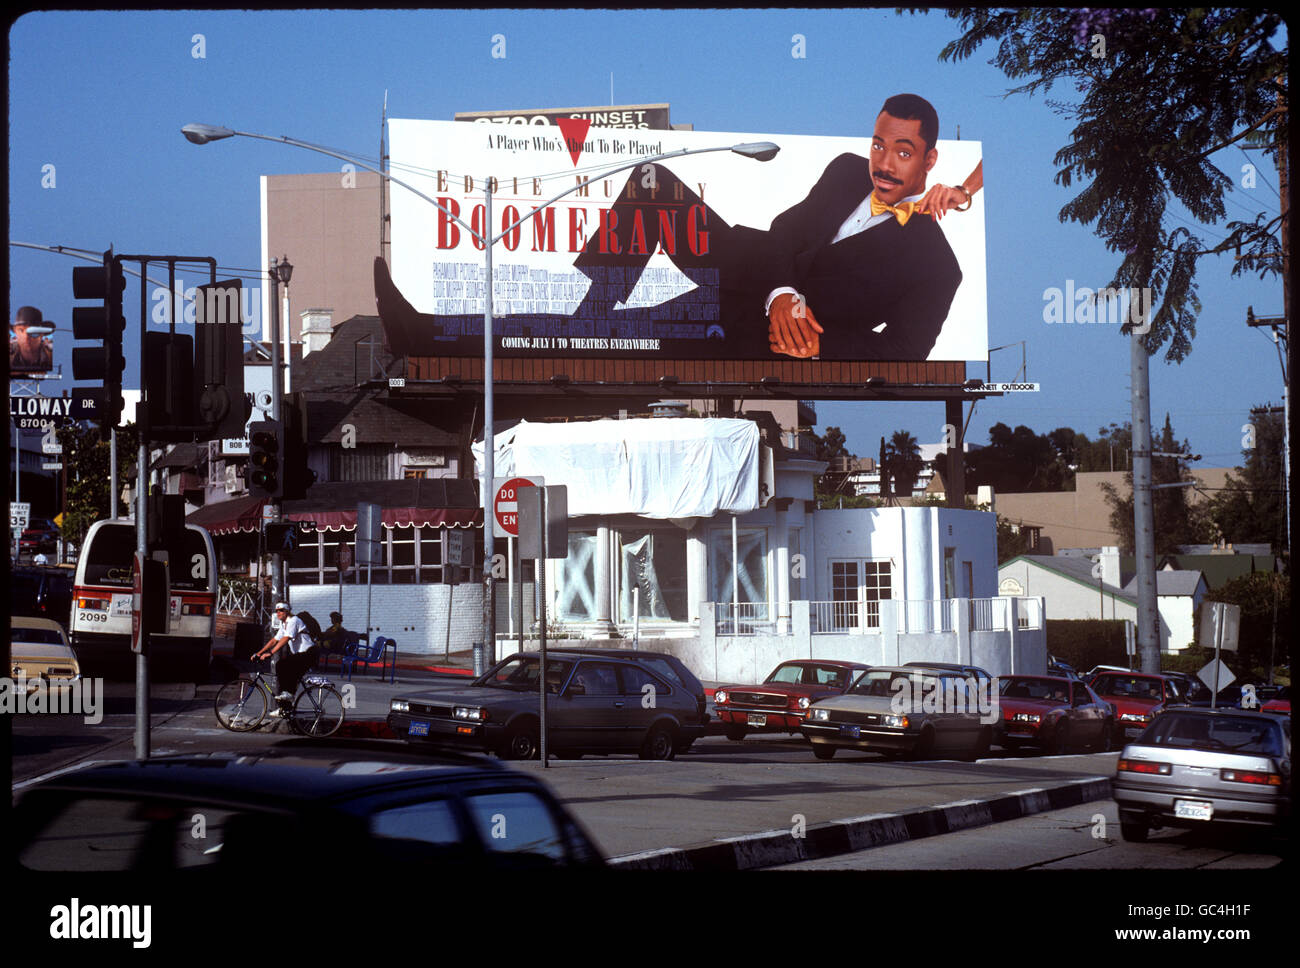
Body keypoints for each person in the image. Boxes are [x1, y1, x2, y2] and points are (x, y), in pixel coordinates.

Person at [376, 93, 980, 364]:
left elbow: (905, 352)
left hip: (749, 335)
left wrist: (820, 341)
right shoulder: (847, 171)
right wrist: (780, 292)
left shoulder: (936, 266)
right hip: (743, 264)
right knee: (649, 184)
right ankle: (587, 324)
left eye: (903, 152)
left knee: (603, 329)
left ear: (930, 159)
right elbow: (783, 232)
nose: (883, 162)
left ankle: (431, 333)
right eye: (880, 144)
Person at [251, 602, 320, 716]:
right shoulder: (284, 624)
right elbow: (274, 640)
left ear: (287, 611)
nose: (278, 612)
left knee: (283, 665)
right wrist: (258, 653)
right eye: (276, 610)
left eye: (281, 610)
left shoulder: (294, 620)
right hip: (301, 655)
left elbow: (286, 638)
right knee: (283, 667)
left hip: (309, 654)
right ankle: (285, 708)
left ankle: (288, 696)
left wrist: (271, 653)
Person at [10, 306, 54, 373]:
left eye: (33, 331)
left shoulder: (51, 356)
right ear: (15, 331)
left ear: (42, 334)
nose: (26, 336)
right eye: (21, 330)